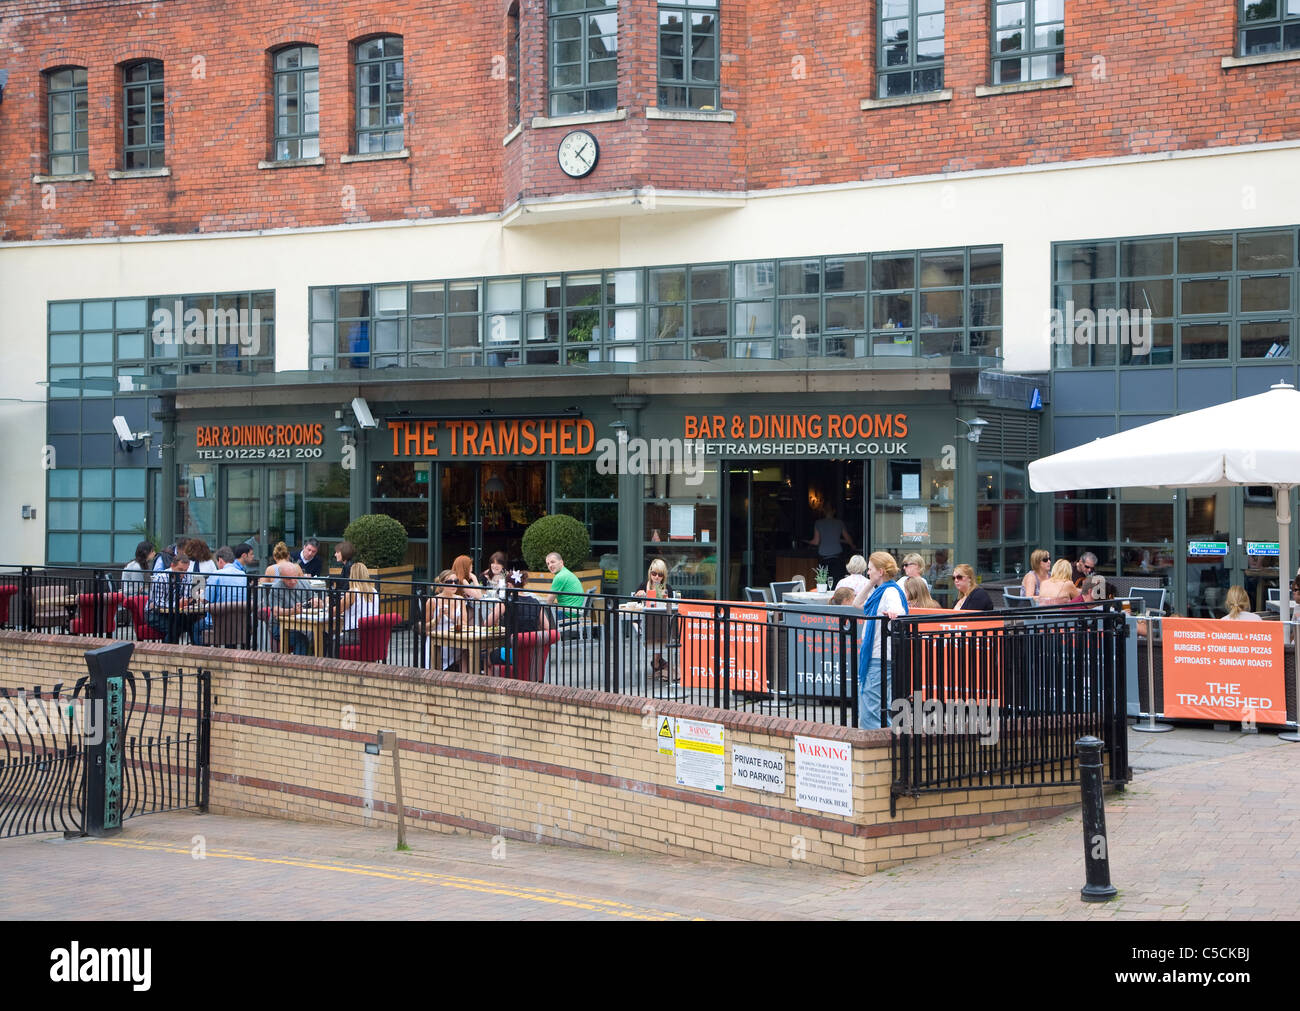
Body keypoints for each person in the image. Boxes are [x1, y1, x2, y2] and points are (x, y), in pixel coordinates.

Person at [851, 552, 908, 730]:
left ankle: (873, 745)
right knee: (877, 704)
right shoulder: (880, 591)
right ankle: (887, 741)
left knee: (871, 707)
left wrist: (894, 614)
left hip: (880, 654)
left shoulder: (890, 591)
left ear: (881, 571)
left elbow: (899, 611)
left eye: (870, 569)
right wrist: (871, 581)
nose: (867, 572)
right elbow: (857, 603)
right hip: (878, 654)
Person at [486, 565, 554, 669]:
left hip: (513, 653)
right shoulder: (535, 602)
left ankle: (490, 684)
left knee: (486, 657)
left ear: (508, 585)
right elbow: (547, 628)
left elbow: (487, 623)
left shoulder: (506, 603)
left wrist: (497, 613)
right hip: (532, 653)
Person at [194, 544, 254, 644]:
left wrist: (199, 595)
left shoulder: (217, 574)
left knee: (195, 627)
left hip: (217, 622)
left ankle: (201, 654)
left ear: (220, 560)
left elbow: (206, 600)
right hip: (239, 623)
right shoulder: (243, 575)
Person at [145, 551, 201, 644]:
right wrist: (178, 603)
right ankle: (167, 654)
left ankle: (197, 652)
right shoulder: (161, 578)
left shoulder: (188, 576)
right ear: (172, 566)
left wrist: (190, 600)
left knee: (193, 624)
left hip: (175, 613)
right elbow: (158, 602)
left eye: (185, 570)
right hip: (154, 613)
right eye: (180, 570)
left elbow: (186, 597)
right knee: (174, 628)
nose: (183, 574)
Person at [633, 558, 676, 680]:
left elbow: (671, 607)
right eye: (654, 574)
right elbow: (635, 605)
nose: (656, 577)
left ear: (664, 576)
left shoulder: (668, 588)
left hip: (661, 624)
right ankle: (658, 662)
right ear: (650, 573)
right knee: (660, 627)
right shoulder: (643, 586)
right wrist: (639, 595)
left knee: (663, 625)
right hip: (646, 624)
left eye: (660, 574)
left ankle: (657, 662)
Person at [264, 562, 316, 655]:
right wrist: (293, 611)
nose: (292, 581)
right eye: (288, 579)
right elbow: (276, 611)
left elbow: (315, 598)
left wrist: (317, 602)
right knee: (301, 639)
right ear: (281, 578)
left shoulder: (303, 583)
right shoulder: (276, 588)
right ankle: (298, 666)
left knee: (321, 636)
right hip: (280, 627)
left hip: (302, 624)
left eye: (294, 577)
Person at [329, 561, 380, 651]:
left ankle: (332, 664)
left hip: (355, 633)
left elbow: (335, 612)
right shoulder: (374, 591)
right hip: (372, 633)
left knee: (332, 641)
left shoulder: (352, 593)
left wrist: (326, 605)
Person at [425, 570, 468, 671]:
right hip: (437, 642)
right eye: (449, 582)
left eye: (456, 581)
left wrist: (451, 616)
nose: (453, 584)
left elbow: (465, 624)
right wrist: (438, 618)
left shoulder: (460, 600)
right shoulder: (433, 601)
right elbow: (425, 626)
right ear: (441, 584)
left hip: (455, 641)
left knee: (468, 651)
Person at [807, 506, 857, 582]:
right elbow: (848, 539)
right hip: (837, 557)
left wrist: (806, 541)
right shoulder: (839, 523)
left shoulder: (818, 523)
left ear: (823, 511)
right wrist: (852, 546)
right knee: (837, 582)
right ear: (834, 511)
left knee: (823, 583)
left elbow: (816, 542)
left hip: (824, 557)